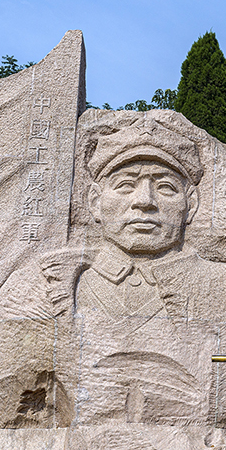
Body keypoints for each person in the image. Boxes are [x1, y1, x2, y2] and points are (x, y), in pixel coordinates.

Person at [74, 114, 204, 318]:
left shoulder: (222, 282)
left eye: (165, 186)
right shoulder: (56, 287)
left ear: (191, 204)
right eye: (126, 185)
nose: (144, 201)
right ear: (95, 202)